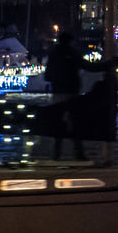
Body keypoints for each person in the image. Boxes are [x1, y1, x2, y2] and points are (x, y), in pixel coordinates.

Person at [43, 32, 86, 161]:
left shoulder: (53, 54)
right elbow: (86, 66)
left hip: (58, 93)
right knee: (75, 123)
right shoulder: (72, 53)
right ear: (70, 41)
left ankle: (56, 154)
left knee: (58, 123)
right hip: (71, 92)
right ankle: (79, 153)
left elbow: (47, 76)